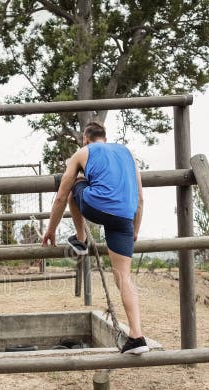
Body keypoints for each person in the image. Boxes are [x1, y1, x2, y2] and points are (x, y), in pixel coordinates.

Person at [42, 121, 149, 354]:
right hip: (124, 217)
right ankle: (137, 336)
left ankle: (81, 239)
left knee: (74, 187)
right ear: (105, 137)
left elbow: (61, 196)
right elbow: (140, 198)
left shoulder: (83, 152)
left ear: (86, 139)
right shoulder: (128, 153)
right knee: (123, 277)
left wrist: (51, 229)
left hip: (95, 207)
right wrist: (135, 230)